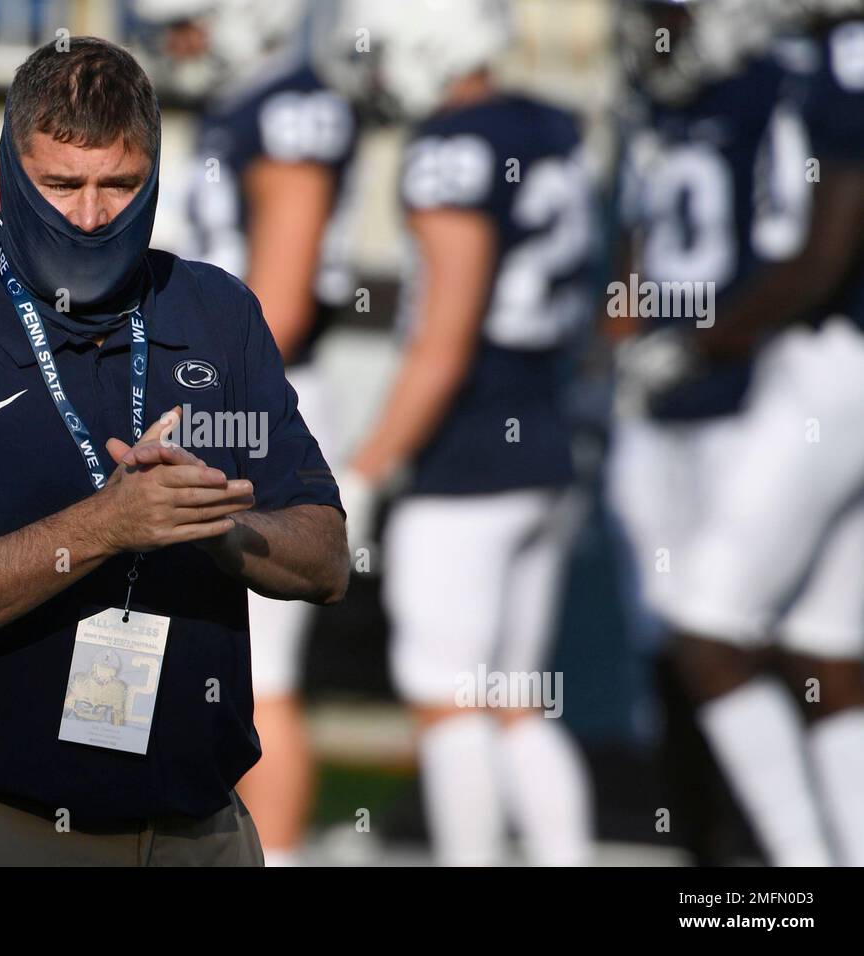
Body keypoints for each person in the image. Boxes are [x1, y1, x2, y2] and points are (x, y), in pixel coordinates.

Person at [0, 36, 350, 867]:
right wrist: (103, 527)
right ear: (10, 169)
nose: (91, 214)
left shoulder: (213, 312)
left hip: (195, 821)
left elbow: (326, 557)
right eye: (61, 185)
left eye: (121, 184)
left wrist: (210, 525)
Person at [319, 0, 597, 865]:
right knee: (513, 701)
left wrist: (365, 471)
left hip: (470, 453)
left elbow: (441, 346)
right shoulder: (548, 128)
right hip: (544, 439)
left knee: (446, 698)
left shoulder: (452, 150)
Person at [625, 0, 864, 866]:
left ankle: (802, 866)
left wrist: (695, 341)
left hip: (831, 365)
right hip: (819, 365)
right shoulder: (794, 67)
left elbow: (825, 248)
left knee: (706, 624)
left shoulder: (838, 54)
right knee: (824, 648)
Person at [134, 0, 359, 867]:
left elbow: (283, 292)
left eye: (189, 19)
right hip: (220, 394)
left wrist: (205, 392)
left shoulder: (289, 103)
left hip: (262, 400)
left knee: (261, 673)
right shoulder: (243, 102)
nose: (177, 40)